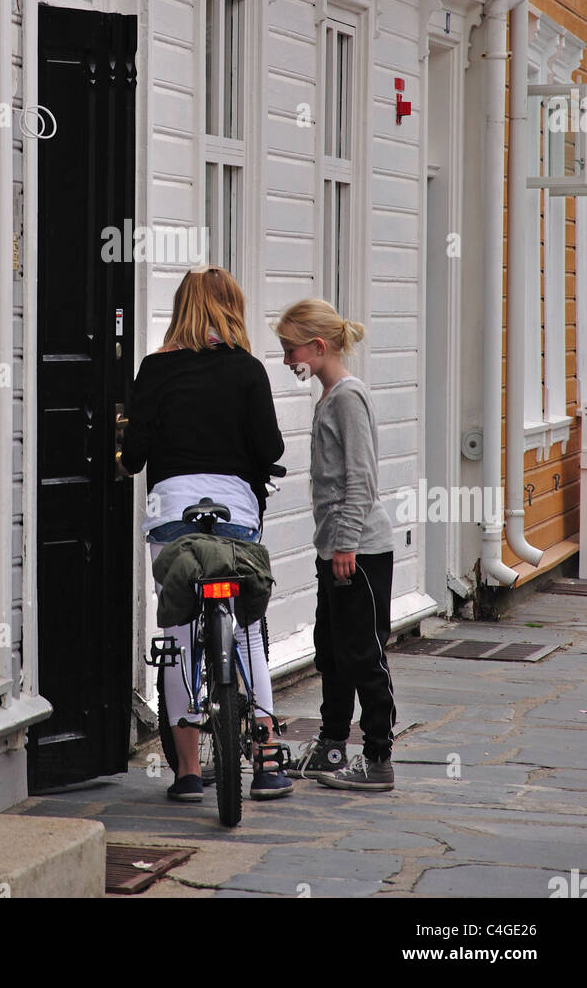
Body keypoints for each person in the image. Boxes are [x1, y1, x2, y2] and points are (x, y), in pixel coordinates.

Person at [119, 266, 291, 802]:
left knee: (175, 637)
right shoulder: (247, 370)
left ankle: (189, 773)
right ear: (231, 310)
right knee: (247, 635)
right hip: (234, 514)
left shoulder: (154, 369)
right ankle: (265, 759)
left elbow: (136, 456)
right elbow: (272, 450)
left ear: (181, 310)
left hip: (171, 514)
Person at [276, 298, 396, 791]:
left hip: (359, 552)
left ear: (319, 346)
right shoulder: (330, 396)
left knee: (363, 653)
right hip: (337, 551)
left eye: (291, 349)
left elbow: (360, 478)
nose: (287, 360)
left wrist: (345, 544)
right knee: (332, 650)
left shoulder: (348, 398)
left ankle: (377, 759)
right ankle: (330, 747)